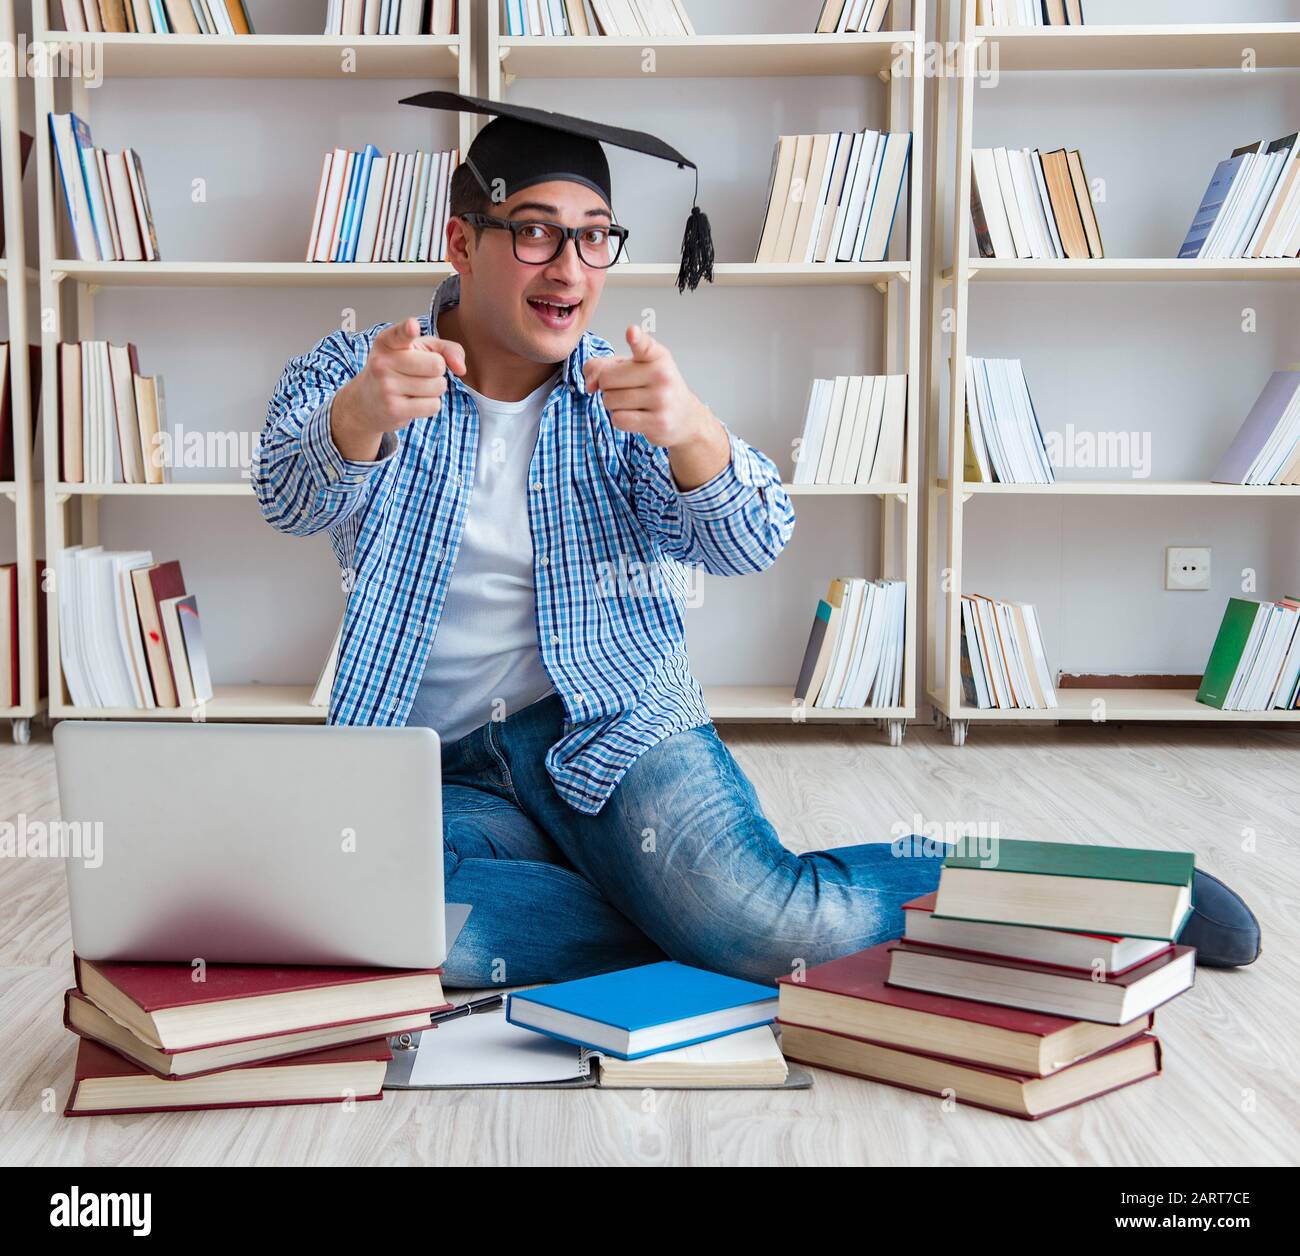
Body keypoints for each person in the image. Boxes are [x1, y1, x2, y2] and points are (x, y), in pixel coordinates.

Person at [253, 93, 1259, 986]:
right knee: (399, 923)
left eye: (596, 237)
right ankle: (689, 916)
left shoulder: (624, 397)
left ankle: (1079, 889)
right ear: (460, 242)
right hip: (434, 765)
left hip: (608, 728)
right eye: (534, 233)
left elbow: (750, 542)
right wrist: (356, 419)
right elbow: (285, 499)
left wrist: (694, 433)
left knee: (776, 924)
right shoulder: (361, 369)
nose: (570, 268)